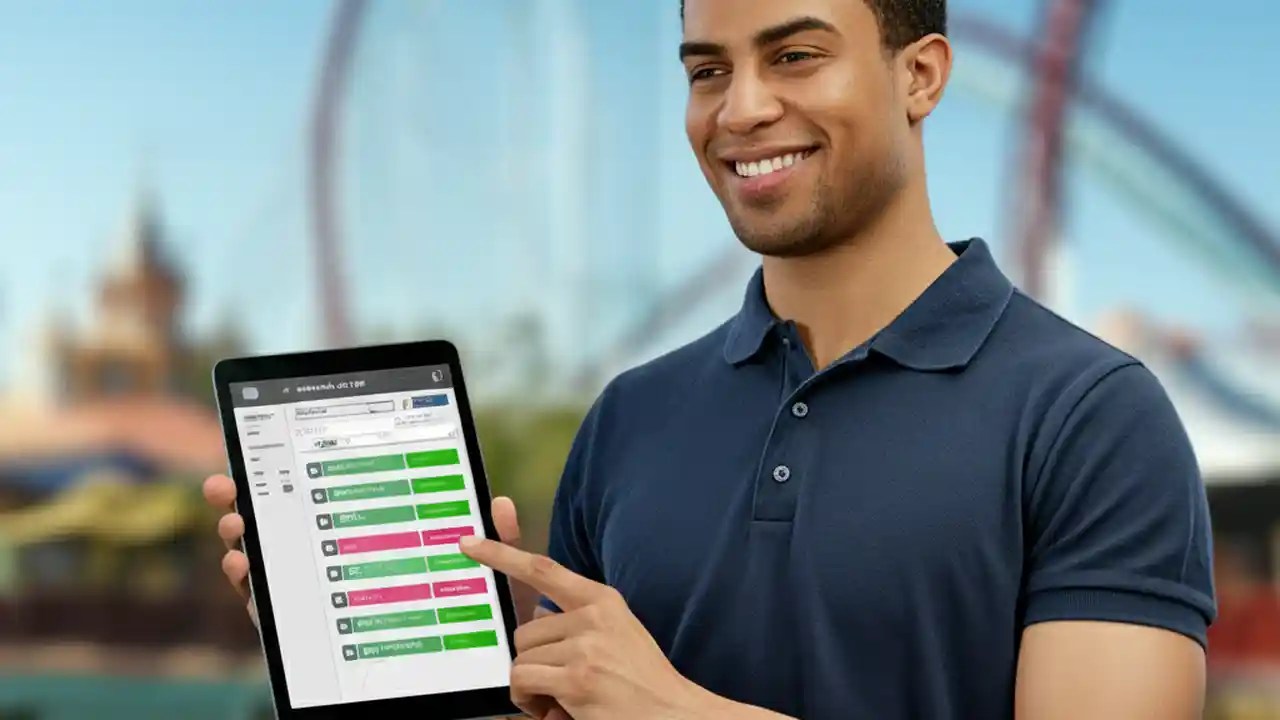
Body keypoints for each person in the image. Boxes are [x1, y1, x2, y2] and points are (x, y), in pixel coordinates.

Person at [204, 0, 1217, 717]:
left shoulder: (1092, 417)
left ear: (920, 75)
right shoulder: (630, 417)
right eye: (705, 70)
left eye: (793, 56)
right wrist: (398, 654)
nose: (737, 110)